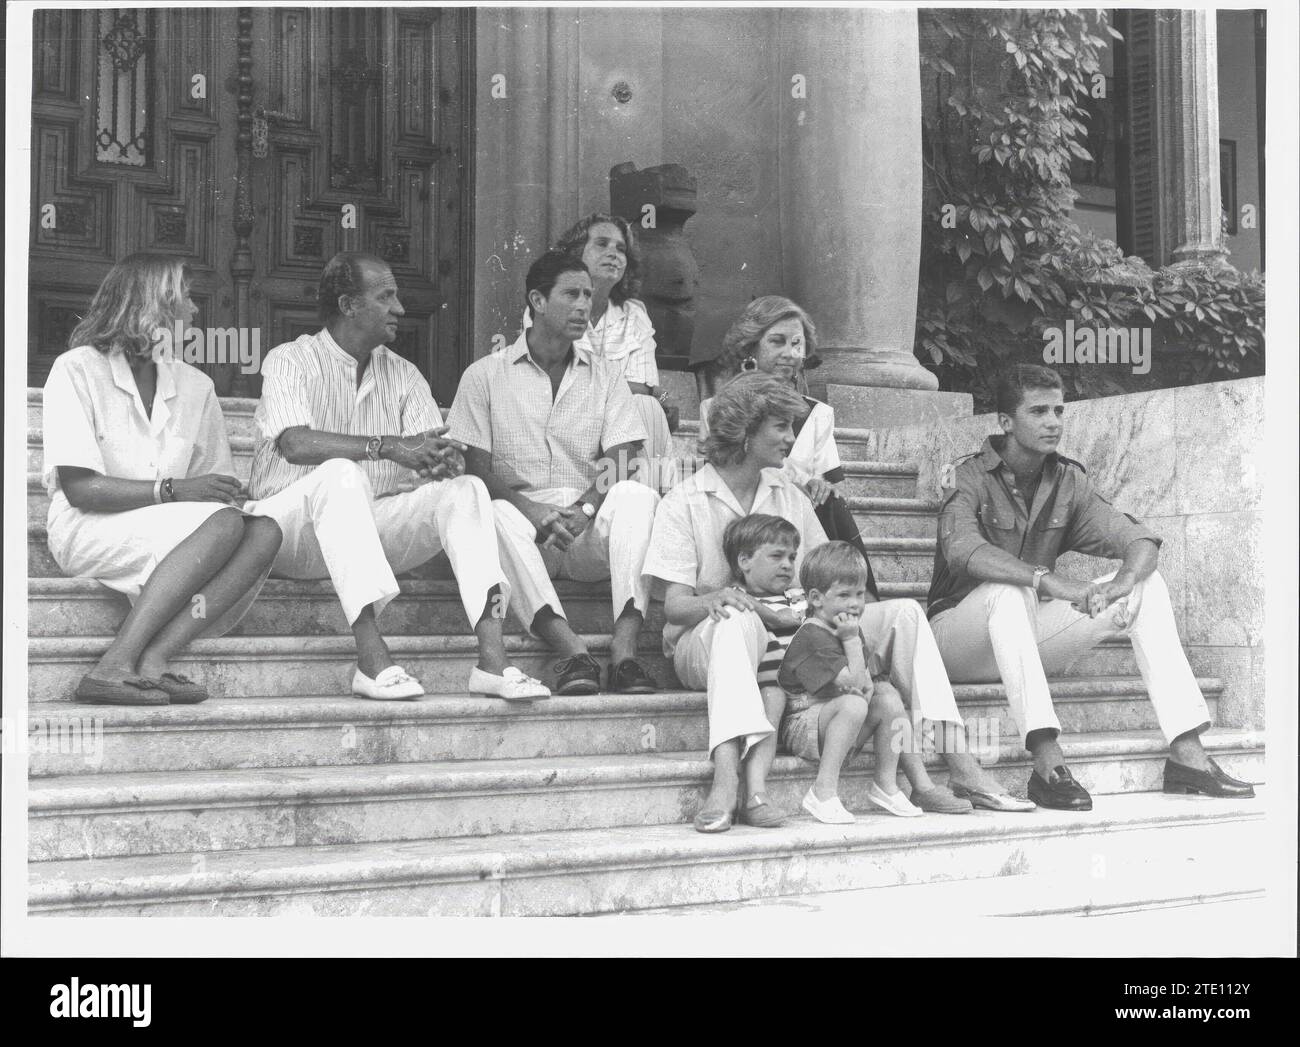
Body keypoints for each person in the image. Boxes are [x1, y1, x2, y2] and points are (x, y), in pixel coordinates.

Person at [643, 375, 984, 834]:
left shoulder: (788, 493)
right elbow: (674, 609)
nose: (791, 438)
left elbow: (824, 578)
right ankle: (727, 779)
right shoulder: (683, 500)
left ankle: (957, 762)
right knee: (735, 617)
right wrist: (721, 597)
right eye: (781, 427)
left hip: (791, 629)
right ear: (746, 431)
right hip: (706, 643)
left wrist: (839, 621)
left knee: (904, 612)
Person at [927, 363, 1255, 809]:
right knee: (1010, 590)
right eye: (1038, 412)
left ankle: (1187, 754)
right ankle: (1047, 761)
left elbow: (1138, 538)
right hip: (956, 637)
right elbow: (965, 551)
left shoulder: (1067, 480)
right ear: (1006, 422)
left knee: (1146, 585)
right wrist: (1049, 581)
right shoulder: (967, 477)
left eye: (1058, 411)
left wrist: (1123, 580)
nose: (1053, 422)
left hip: (1023, 635)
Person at [244, 251, 549, 703]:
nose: (401, 309)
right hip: (286, 531)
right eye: (386, 297)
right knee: (341, 475)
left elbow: (424, 449)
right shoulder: (289, 359)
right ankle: (372, 660)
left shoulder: (404, 374)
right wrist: (387, 447)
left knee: (465, 490)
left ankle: (493, 661)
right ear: (349, 305)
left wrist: (440, 462)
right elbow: (294, 445)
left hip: (368, 526)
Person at [42, 253, 282, 706]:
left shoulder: (196, 385)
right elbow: (79, 489)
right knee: (227, 524)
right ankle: (113, 664)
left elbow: (214, 487)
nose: (194, 311)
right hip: (88, 525)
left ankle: (153, 661)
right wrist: (173, 491)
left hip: (171, 530)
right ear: (150, 305)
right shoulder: (76, 369)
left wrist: (223, 493)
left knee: (264, 531)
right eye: (185, 299)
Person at [447, 250, 661, 695]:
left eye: (587, 295)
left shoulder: (606, 375)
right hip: (525, 531)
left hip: (586, 532)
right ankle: (572, 651)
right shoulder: (484, 375)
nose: (584, 305)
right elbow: (475, 465)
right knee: (494, 511)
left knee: (639, 496)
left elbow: (623, 453)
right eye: (571, 294)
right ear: (538, 301)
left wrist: (586, 507)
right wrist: (529, 508)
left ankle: (624, 653)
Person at [698, 296, 878, 595]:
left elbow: (832, 482)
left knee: (831, 503)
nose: (789, 353)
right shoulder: (715, 409)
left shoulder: (818, 414)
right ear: (750, 348)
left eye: (797, 344)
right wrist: (798, 480)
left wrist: (822, 486)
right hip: (746, 515)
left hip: (799, 517)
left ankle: (862, 595)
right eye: (777, 342)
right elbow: (724, 474)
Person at [779, 543, 921, 822]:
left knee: (889, 698)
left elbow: (866, 682)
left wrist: (855, 648)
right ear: (816, 598)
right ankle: (822, 791)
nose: (855, 603)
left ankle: (885, 785)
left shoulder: (847, 629)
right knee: (855, 704)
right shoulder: (813, 635)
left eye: (859, 593)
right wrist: (851, 640)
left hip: (836, 714)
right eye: (844, 595)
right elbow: (853, 684)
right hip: (802, 723)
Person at [548, 213, 675, 491]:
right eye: (602, 244)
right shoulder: (548, 307)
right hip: (569, 421)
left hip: (623, 422)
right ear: (576, 254)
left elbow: (642, 388)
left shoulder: (634, 316)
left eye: (620, 248)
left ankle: (645, 496)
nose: (613, 254)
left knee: (647, 407)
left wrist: (651, 394)